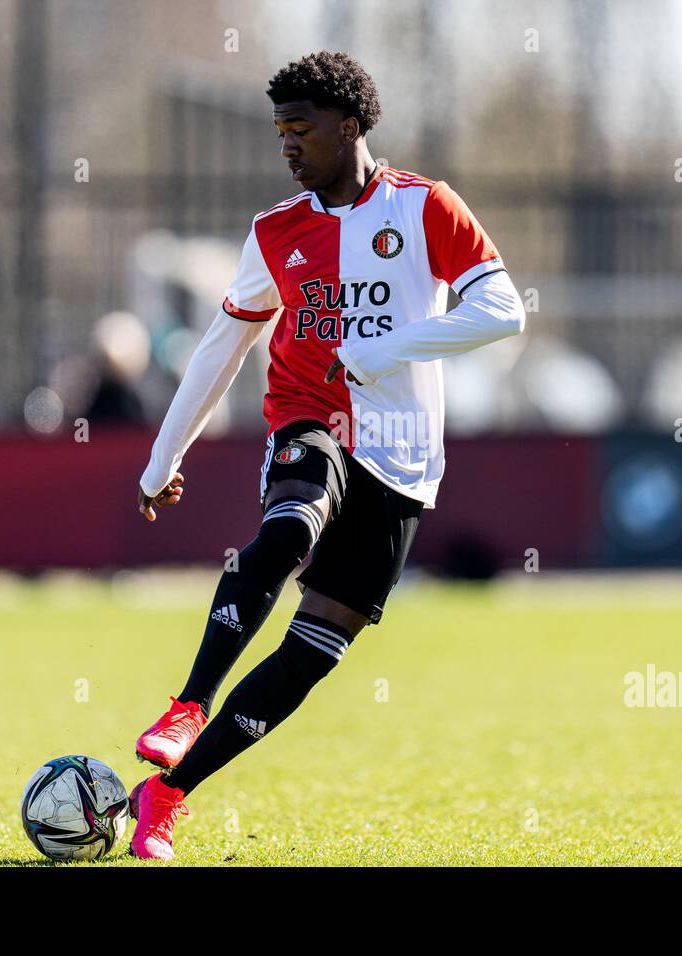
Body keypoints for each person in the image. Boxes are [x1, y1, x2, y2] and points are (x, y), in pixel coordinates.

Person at [128, 50, 526, 860]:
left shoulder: (426, 209)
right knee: (290, 527)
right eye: (279, 130)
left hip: (405, 459)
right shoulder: (274, 232)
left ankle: (165, 797)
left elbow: (503, 310)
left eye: (300, 128)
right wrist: (163, 455)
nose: (286, 145)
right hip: (309, 420)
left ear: (350, 128)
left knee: (313, 653)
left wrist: (392, 350)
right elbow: (222, 347)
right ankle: (188, 704)